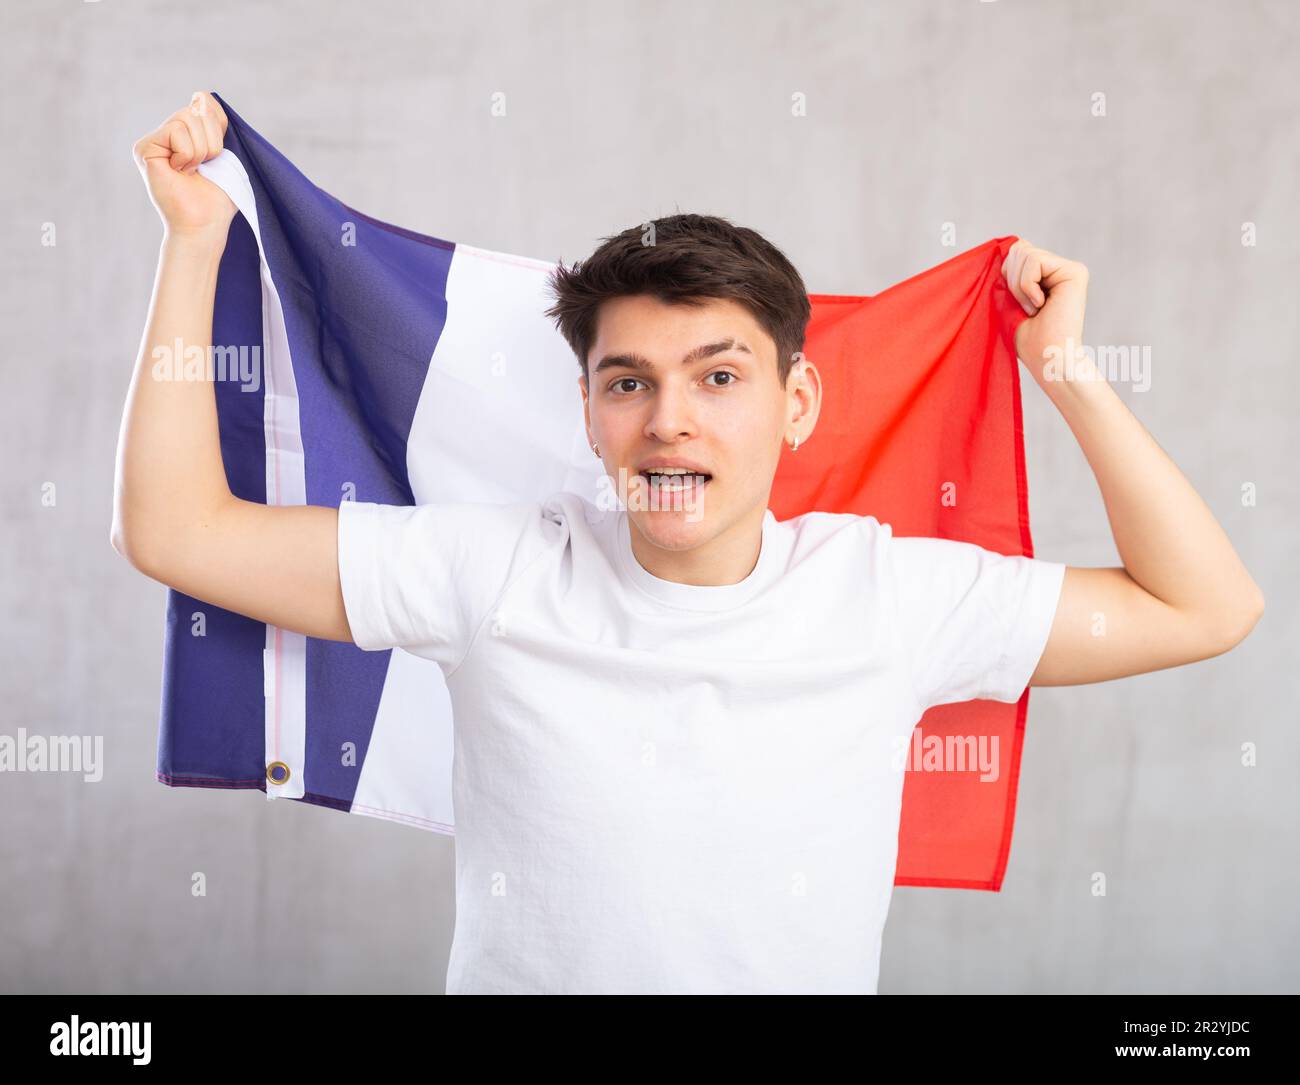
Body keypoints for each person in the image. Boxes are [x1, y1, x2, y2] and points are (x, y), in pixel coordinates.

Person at [112, 91, 1266, 994]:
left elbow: (1204, 607)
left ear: (796, 403)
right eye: (629, 380)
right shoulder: (496, 567)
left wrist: (1062, 369)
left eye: (719, 377)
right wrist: (197, 238)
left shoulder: (887, 594)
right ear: (589, 410)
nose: (670, 416)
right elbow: (177, 531)